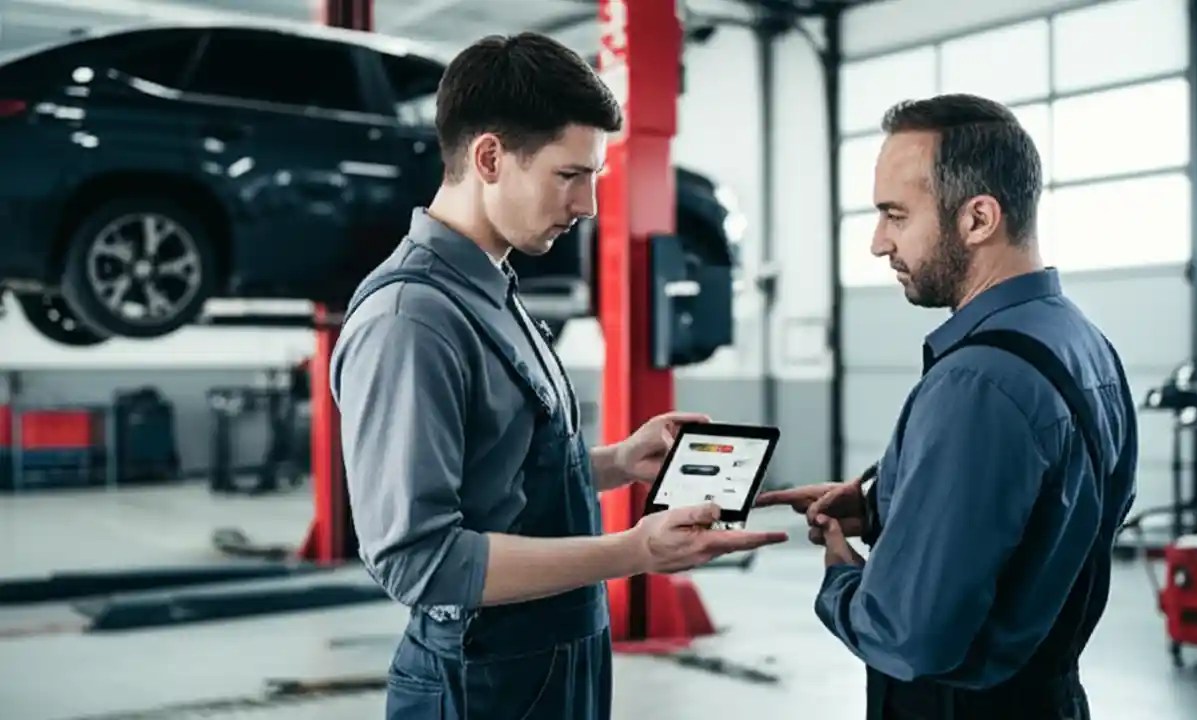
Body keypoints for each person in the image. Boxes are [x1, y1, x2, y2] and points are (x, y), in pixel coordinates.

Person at [330, 33, 787, 720]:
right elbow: (418, 561)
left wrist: (616, 462)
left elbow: (499, 475)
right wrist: (631, 551)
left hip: (552, 660)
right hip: (479, 681)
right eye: (570, 175)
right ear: (489, 158)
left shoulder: (492, 288)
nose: (589, 206)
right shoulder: (411, 318)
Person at [757, 94, 1138, 719]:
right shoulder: (1082, 342)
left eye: (895, 215)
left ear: (978, 219)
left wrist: (840, 577)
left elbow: (910, 636)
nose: (880, 242)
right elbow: (1050, 519)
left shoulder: (978, 383)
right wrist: (889, 505)